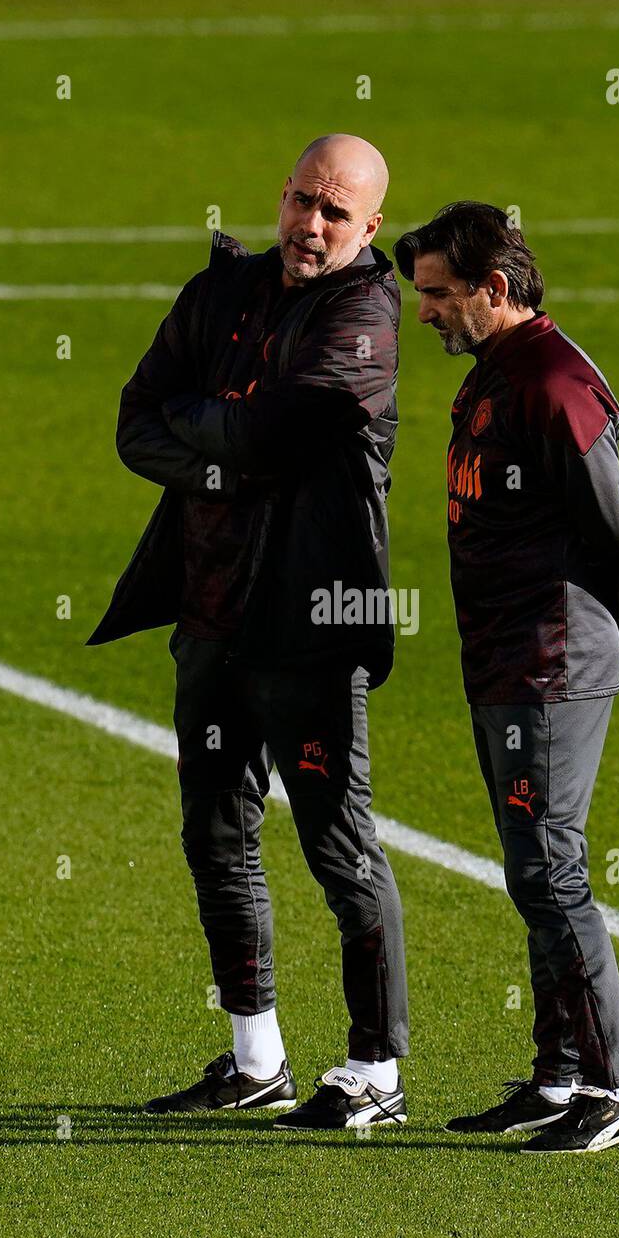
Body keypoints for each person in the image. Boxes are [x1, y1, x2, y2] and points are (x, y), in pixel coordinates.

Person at [88, 135, 409, 1130]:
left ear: (370, 228)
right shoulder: (219, 292)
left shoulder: (365, 316)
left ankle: (376, 1073)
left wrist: (214, 432)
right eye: (304, 201)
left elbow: (272, 432)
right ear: (282, 195)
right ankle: (255, 1056)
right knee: (214, 832)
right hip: (211, 608)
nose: (312, 226)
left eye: (336, 213)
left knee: (338, 844)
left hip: (310, 619)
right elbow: (135, 420)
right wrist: (223, 450)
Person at [394, 202, 619, 1153]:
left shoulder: (553, 381)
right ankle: (559, 1079)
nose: (424, 312)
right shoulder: (498, 373)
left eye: (437, 294)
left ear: (494, 289)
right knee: (533, 872)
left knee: (550, 871)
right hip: (505, 659)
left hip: (552, 662)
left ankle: (616, 1090)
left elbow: (616, 529)